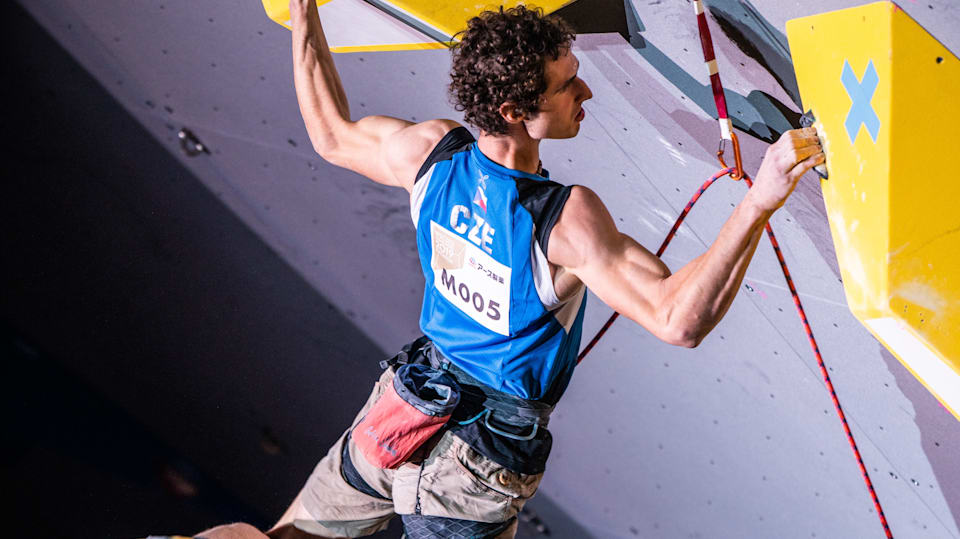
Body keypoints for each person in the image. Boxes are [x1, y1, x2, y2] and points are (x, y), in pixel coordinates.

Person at [199, 1, 824, 538]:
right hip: (475, 466)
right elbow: (676, 319)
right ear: (510, 109)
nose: (586, 93)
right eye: (566, 85)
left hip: (402, 410)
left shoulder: (432, 157)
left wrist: (304, 8)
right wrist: (760, 198)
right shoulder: (564, 222)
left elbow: (332, 135)